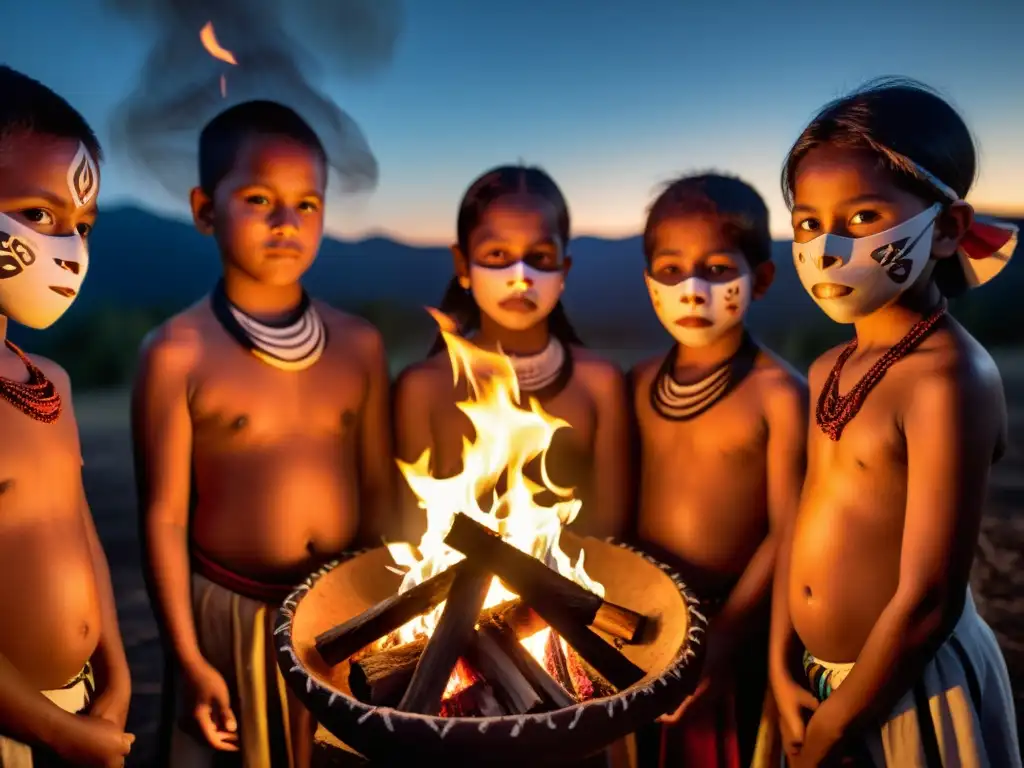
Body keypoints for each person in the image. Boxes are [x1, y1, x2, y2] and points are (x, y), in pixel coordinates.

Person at [132, 100, 394, 768]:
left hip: (340, 615)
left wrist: (379, 616)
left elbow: (377, 491)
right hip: (229, 611)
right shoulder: (177, 352)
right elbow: (163, 518)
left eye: (308, 204)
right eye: (259, 199)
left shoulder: (359, 344)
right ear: (203, 209)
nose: (287, 223)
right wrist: (189, 658)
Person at [770, 77, 1021, 767]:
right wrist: (778, 663)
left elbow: (928, 603)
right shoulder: (827, 369)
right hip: (814, 680)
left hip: (906, 693)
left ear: (946, 229)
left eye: (861, 219)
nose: (824, 249)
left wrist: (835, 727)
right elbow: (802, 518)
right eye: (807, 222)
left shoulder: (948, 381)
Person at [628, 174, 807, 767]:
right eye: (672, 270)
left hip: (736, 620)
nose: (693, 291)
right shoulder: (636, 383)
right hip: (644, 621)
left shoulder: (780, 394)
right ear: (648, 279)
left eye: (718, 269)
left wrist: (724, 637)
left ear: (763, 278)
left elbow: (790, 531)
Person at [0, 66, 134, 767]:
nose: (70, 250)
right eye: (39, 215)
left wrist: (116, 673)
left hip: (85, 704)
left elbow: (80, 529)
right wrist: (57, 732)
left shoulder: (46, 379)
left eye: (82, 224)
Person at [393, 164, 632, 542]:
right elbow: (413, 536)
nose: (520, 276)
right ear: (463, 265)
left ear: (564, 269)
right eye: (497, 254)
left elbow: (612, 533)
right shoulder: (423, 388)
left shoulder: (600, 383)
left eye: (539, 257)